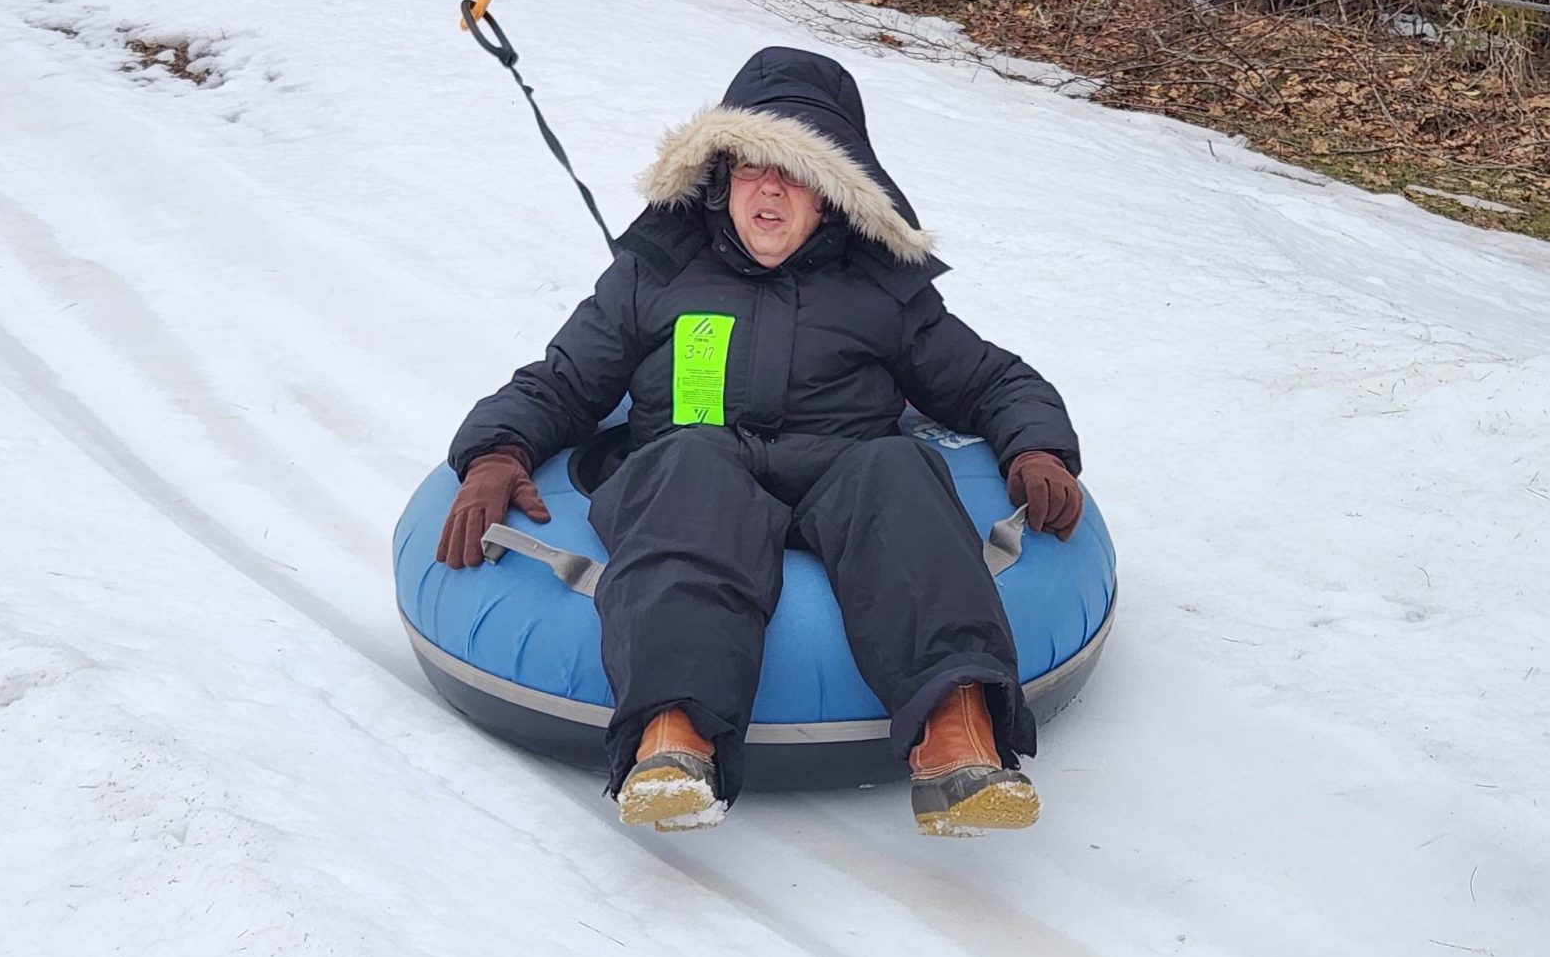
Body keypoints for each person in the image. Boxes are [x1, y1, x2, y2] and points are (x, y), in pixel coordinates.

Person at [437, 47, 1083, 836]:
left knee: (898, 468)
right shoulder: (655, 274)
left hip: (840, 471)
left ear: (833, 192)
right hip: (695, 471)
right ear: (721, 176)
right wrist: (497, 452)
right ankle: (674, 738)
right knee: (689, 470)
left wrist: (1036, 448)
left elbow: (991, 380)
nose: (769, 188)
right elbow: (564, 380)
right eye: (752, 166)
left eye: (795, 171)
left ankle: (958, 737)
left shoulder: (883, 291)